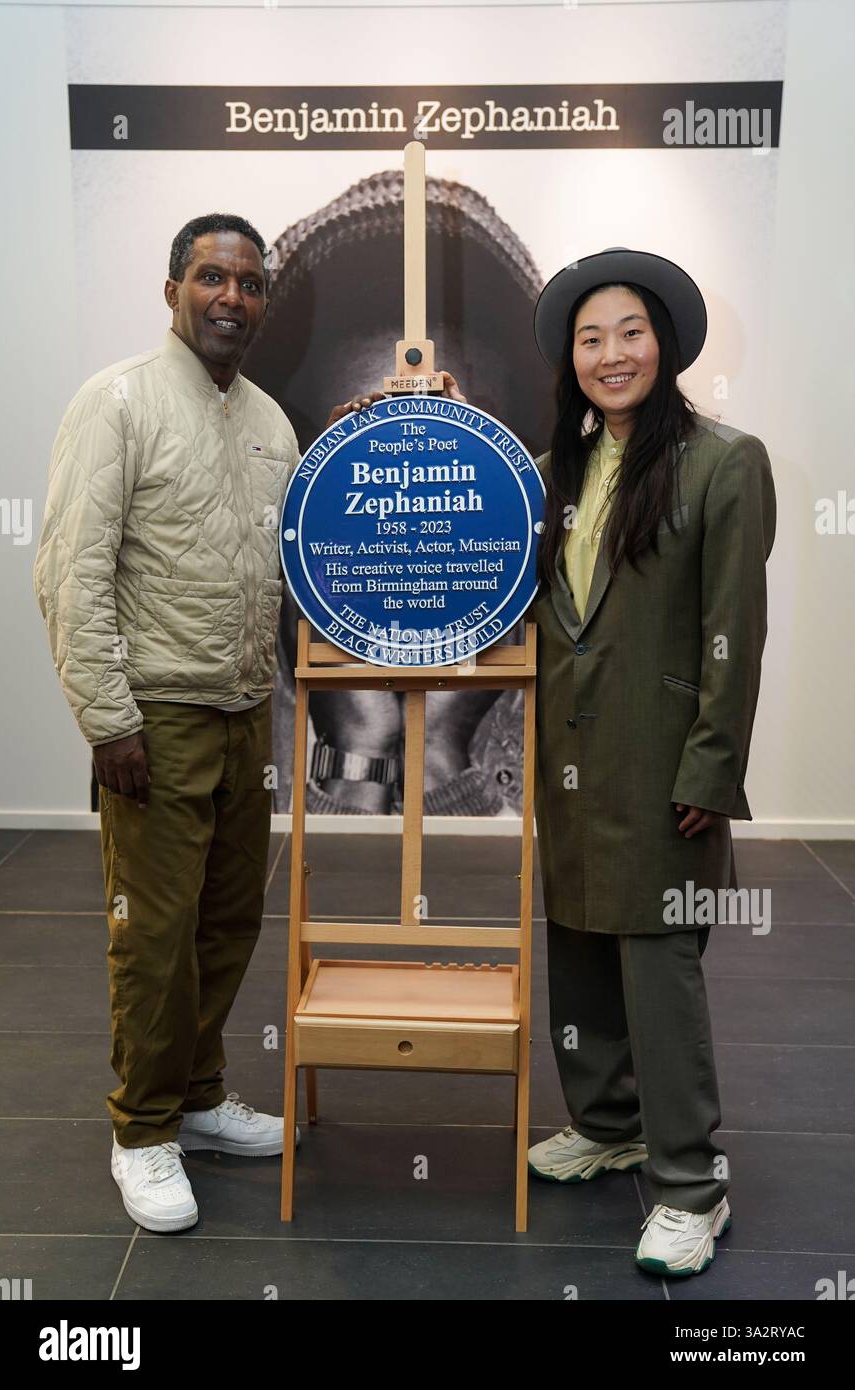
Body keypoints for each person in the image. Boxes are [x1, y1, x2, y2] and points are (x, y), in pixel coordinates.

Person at [32, 213, 379, 1234]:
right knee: (153, 936)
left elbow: (294, 557)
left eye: (248, 283)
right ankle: (140, 1132)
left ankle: (195, 1095)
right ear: (174, 287)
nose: (232, 297)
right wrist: (108, 720)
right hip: (154, 719)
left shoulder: (271, 421)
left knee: (227, 923)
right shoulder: (118, 400)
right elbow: (68, 573)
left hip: (241, 718)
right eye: (211, 277)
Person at [526, 247, 776, 1276]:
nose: (610, 353)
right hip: (572, 762)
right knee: (579, 943)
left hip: (665, 765)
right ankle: (606, 1120)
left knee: (657, 970)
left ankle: (686, 1182)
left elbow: (734, 631)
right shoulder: (559, 471)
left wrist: (710, 769)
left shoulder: (724, 461)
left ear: (663, 342)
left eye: (629, 332)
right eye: (590, 337)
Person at [241, 171, 555, 817]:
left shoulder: (564, 656)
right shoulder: (246, 661)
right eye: (367, 437)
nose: (411, 493)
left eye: (458, 436)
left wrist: (443, 741)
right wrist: (355, 742)